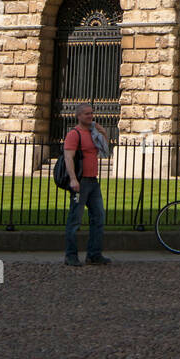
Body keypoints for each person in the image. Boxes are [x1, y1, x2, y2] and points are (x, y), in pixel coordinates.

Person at [64, 102, 111, 267]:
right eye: (87, 114)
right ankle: (70, 255)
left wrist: (104, 133)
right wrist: (73, 179)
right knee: (75, 220)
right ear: (79, 116)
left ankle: (94, 254)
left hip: (93, 181)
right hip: (81, 182)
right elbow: (68, 157)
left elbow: (105, 151)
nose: (91, 116)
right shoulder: (74, 134)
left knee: (98, 218)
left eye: (91, 113)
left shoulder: (93, 133)